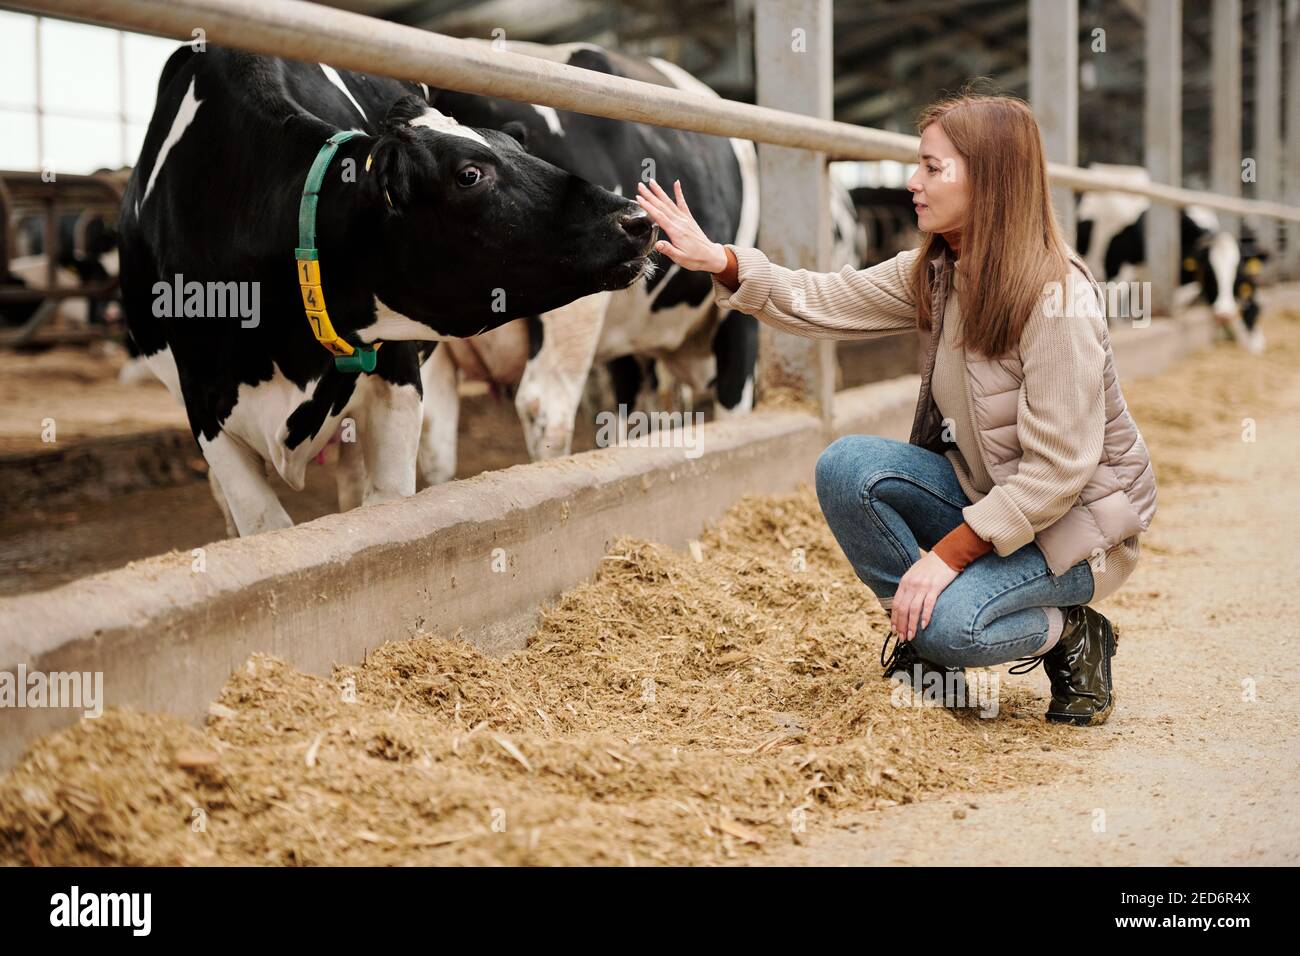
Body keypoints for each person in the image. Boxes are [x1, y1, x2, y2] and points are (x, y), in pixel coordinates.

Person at [632, 92, 1157, 726]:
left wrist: (942, 560)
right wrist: (724, 261)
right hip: (992, 499)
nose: (913, 182)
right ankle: (929, 630)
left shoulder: (1056, 299)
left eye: (933, 168)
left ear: (989, 180)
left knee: (950, 630)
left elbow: (1056, 475)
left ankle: (1071, 632)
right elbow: (825, 297)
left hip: (1079, 533)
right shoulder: (941, 271)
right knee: (848, 466)